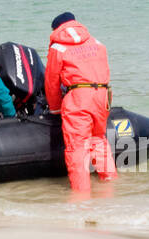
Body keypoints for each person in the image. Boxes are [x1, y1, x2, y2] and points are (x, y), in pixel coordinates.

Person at [44, 12, 117, 192]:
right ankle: (111, 188)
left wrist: (54, 109)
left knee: (77, 147)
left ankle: (81, 196)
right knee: (99, 140)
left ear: (57, 29)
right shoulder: (98, 44)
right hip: (102, 95)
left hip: (78, 98)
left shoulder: (58, 48)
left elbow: (51, 81)